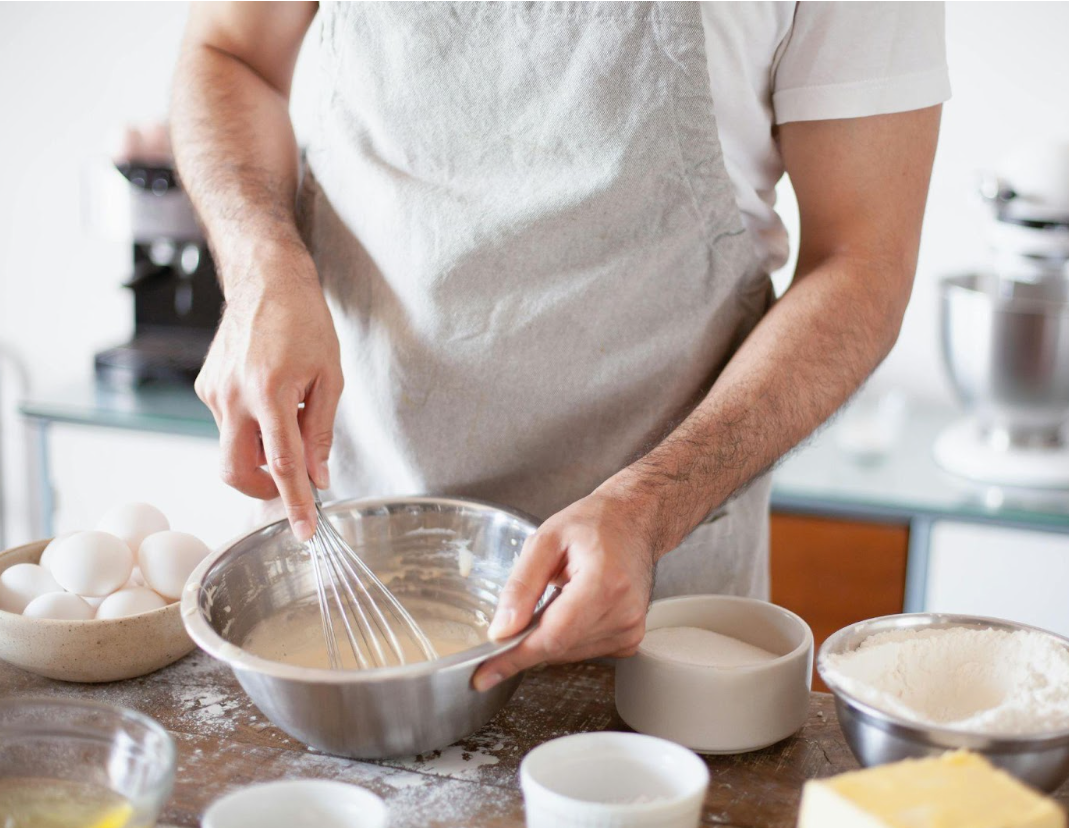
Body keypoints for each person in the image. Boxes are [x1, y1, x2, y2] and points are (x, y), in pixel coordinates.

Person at [171, 2, 948, 691]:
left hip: (657, 603)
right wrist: (260, 266)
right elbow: (228, 52)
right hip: (346, 548)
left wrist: (648, 513)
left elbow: (864, 261)